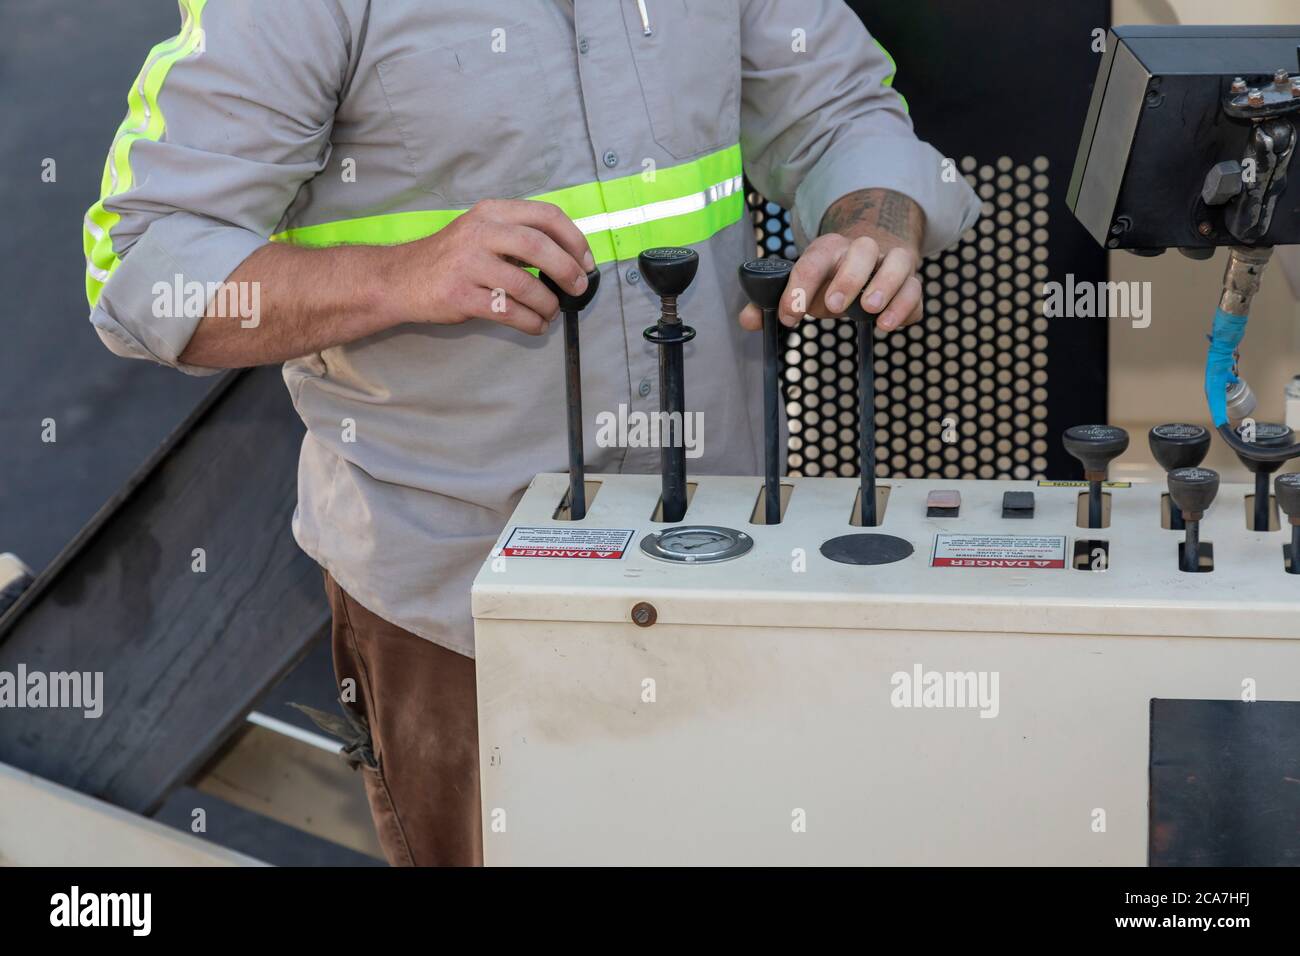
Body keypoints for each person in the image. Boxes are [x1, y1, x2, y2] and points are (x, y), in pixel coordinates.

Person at [84, 0, 979, 866]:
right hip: (458, 603)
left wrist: (871, 222)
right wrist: (402, 276)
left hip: (729, 553)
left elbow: (840, 112)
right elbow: (145, 265)